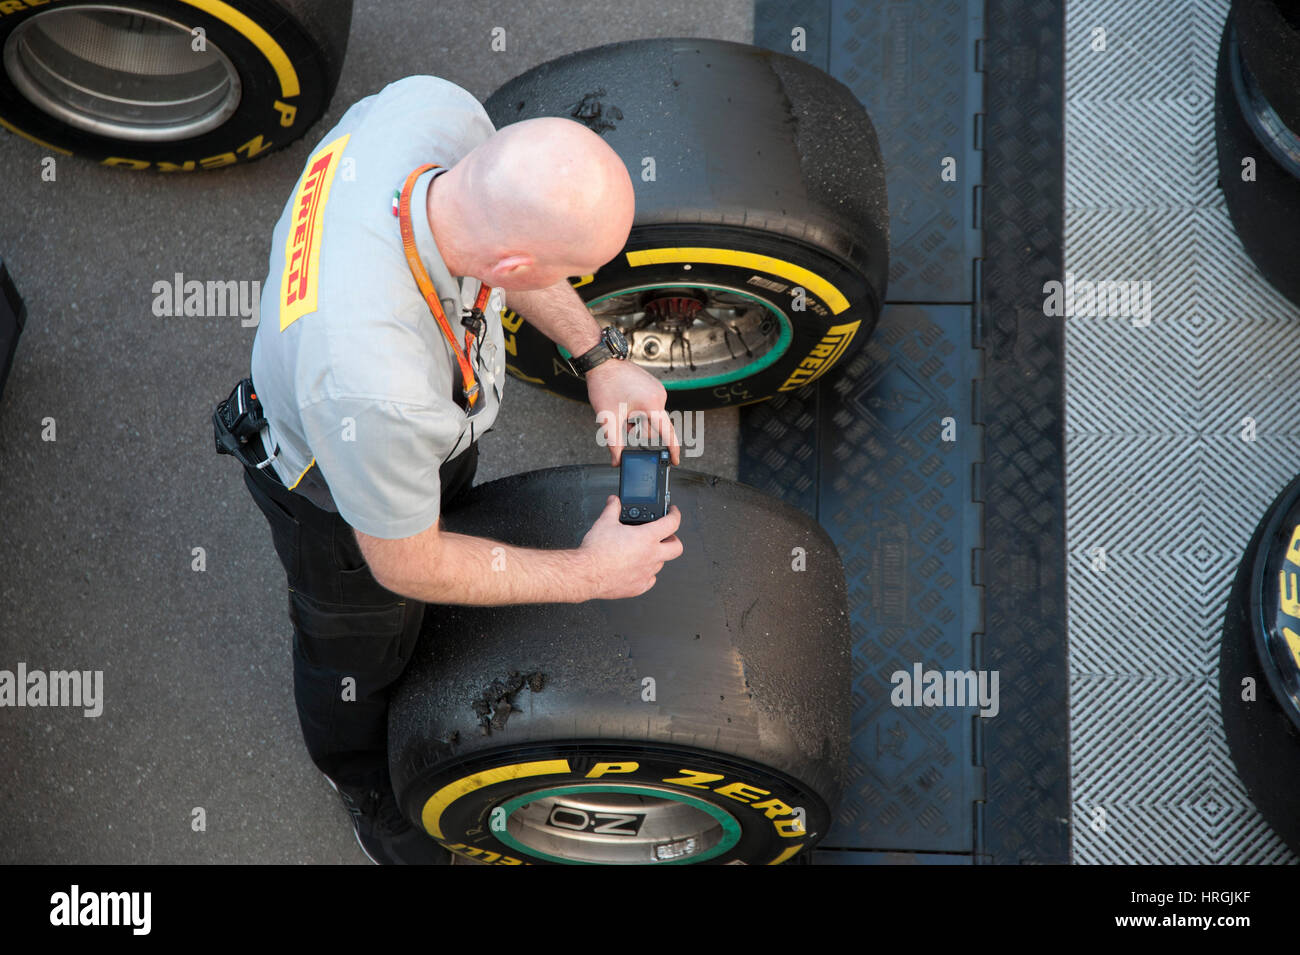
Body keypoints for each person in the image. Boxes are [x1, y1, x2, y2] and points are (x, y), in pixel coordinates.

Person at [220, 75, 683, 864]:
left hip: (406, 424)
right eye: (571, 266)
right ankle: (362, 781)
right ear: (512, 259)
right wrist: (589, 572)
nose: (575, 284)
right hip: (329, 493)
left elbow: (515, 253)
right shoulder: (377, 381)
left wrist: (600, 358)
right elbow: (404, 560)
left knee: (436, 548)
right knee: (355, 653)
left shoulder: (437, 112)